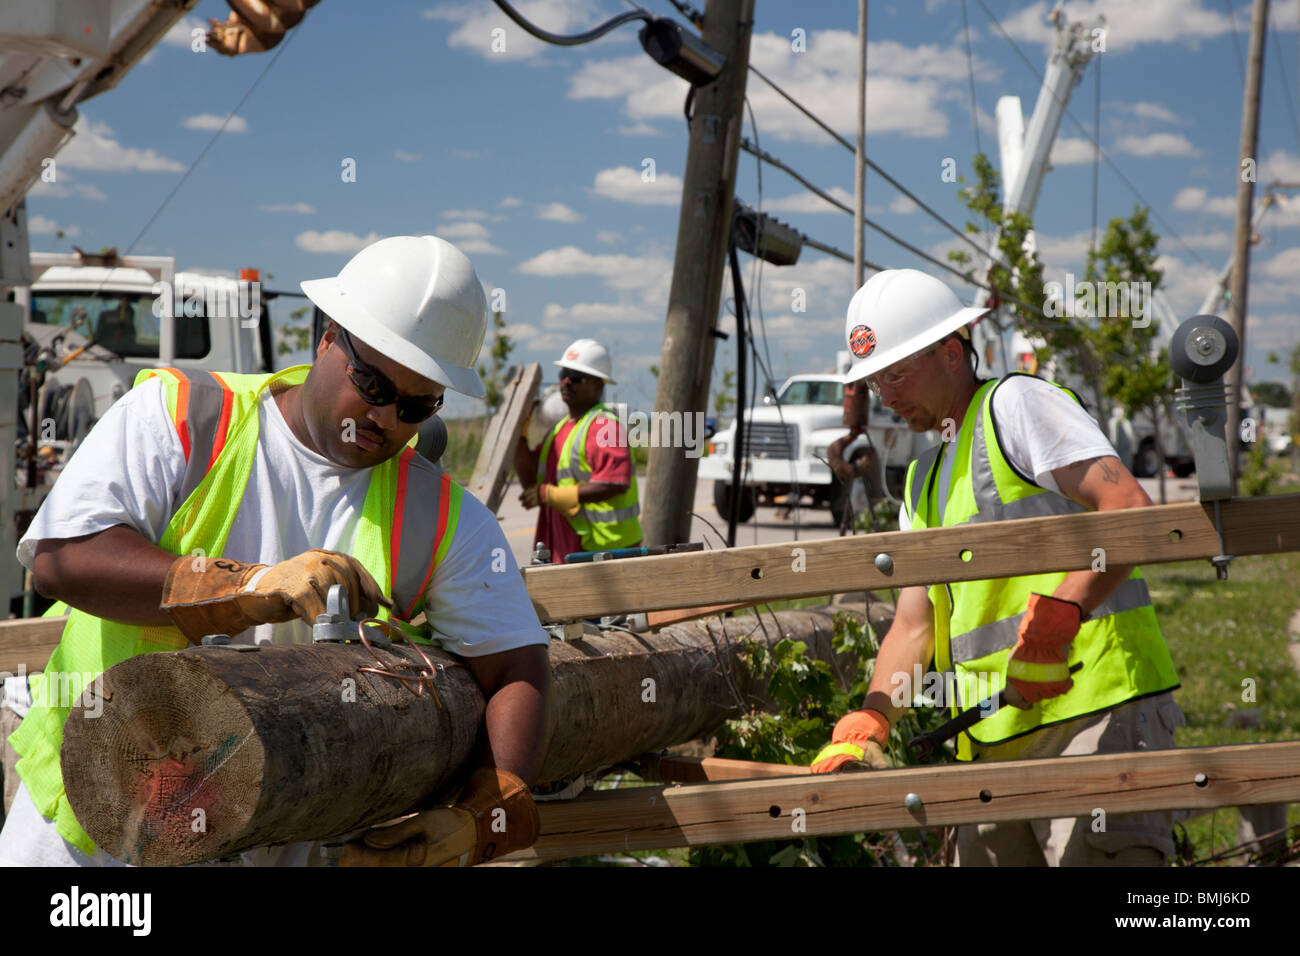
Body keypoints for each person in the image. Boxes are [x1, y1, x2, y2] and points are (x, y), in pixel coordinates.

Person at [0, 235, 550, 868]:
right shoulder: (181, 417)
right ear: (327, 337)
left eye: (416, 405)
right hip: (91, 844)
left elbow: (516, 669)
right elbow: (61, 559)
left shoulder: (440, 518)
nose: (386, 418)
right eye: (371, 383)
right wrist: (242, 589)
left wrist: (488, 812)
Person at [811, 268, 1183, 867]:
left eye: (898, 372)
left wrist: (1061, 617)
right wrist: (873, 716)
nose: (887, 392)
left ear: (953, 354)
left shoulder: (1018, 405)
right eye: (878, 380)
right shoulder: (923, 480)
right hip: (990, 744)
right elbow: (914, 626)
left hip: (1089, 717)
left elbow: (1127, 509)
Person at [515, 339, 641, 562]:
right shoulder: (560, 429)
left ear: (599, 385)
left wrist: (554, 495)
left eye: (576, 377)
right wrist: (519, 436)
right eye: (563, 374)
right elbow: (533, 486)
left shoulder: (605, 426)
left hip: (608, 553)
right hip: (568, 551)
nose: (566, 382)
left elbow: (616, 483)